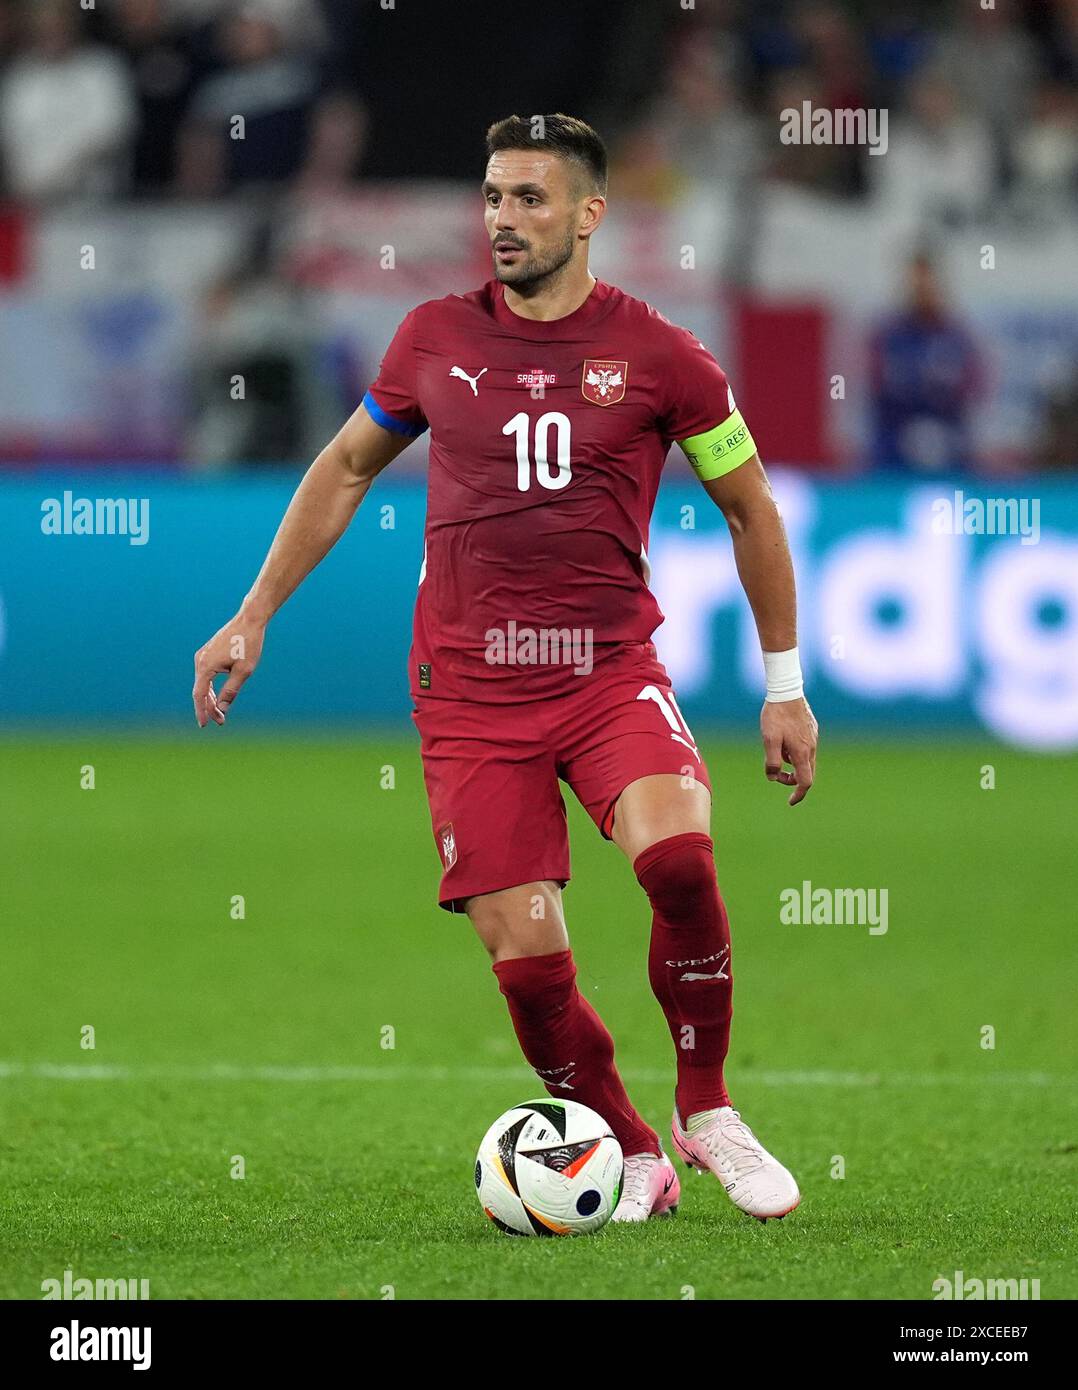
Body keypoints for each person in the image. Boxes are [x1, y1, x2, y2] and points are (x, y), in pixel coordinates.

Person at [192, 114, 818, 1224]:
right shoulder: (432, 337)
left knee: (679, 855)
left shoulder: (667, 358)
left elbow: (749, 507)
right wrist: (253, 611)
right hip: (471, 696)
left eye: (529, 199)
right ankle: (629, 1148)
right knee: (529, 964)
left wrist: (783, 685)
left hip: (604, 669)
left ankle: (706, 1107)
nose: (503, 221)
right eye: (491, 199)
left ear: (589, 214)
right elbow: (343, 470)